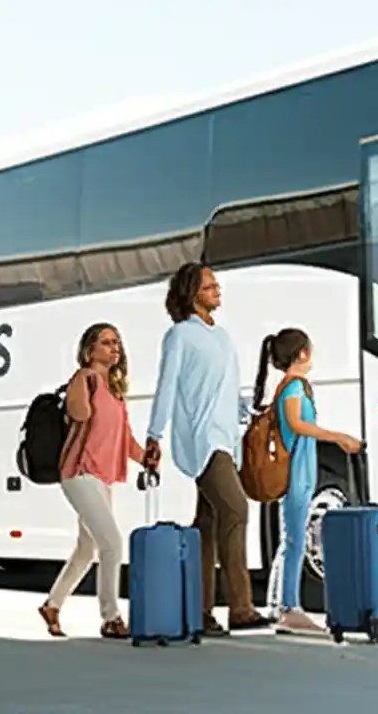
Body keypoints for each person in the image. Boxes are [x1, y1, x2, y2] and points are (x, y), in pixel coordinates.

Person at [144, 263, 273, 636]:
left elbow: (226, 391)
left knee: (208, 524)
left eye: (217, 284)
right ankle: (241, 608)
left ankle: (200, 611)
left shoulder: (222, 337)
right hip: (202, 441)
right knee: (236, 509)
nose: (218, 289)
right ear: (191, 293)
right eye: (209, 285)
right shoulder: (179, 336)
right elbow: (166, 387)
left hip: (225, 438)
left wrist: (246, 410)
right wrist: (155, 435)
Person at [38, 322, 145, 640]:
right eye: (107, 343)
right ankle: (111, 617)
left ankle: (52, 605)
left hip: (101, 477)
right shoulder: (84, 380)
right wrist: (86, 380)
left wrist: (148, 458)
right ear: (89, 351)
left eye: (117, 343)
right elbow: (80, 415)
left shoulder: (115, 392)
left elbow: (126, 441)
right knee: (111, 542)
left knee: (87, 548)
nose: (115, 348)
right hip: (79, 473)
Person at [253, 328, 362, 634]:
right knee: (295, 540)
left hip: (298, 472)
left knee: (291, 539)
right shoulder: (294, 388)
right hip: (297, 474)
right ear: (302, 353)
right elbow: (298, 424)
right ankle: (289, 608)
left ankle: (278, 604)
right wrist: (339, 437)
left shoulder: (289, 386)